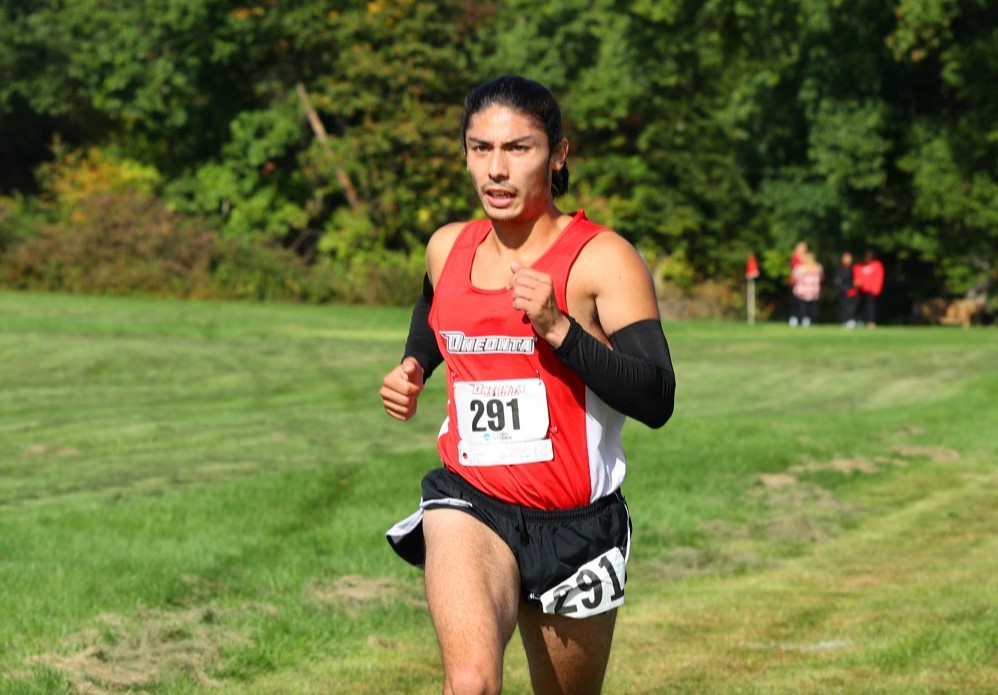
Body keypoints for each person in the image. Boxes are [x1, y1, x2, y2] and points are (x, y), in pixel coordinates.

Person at [379, 75, 676, 695]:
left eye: (519, 148)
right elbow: (436, 311)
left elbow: (656, 397)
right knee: (470, 683)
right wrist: (414, 367)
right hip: (471, 498)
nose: (496, 169)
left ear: (558, 154)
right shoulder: (446, 247)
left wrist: (559, 328)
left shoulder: (601, 259)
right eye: (480, 148)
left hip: (575, 523)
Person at [790, 251, 823, 327]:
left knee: (811, 308)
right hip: (802, 290)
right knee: (802, 307)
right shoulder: (799, 268)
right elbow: (794, 279)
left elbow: (821, 279)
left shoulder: (818, 267)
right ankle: (801, 320)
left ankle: (808, 320)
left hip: (813, 291)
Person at [855, 248, 885, 327]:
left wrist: (876, 288)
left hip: (872, 290)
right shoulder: (860, 265)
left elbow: (879, 277)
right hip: (861, 289)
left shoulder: (877, 265)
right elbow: (857, 275)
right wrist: (857, 283)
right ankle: (861, 321)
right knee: (861, 305)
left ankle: (871, 321)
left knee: (871, 306)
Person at [833, 251, 858, 328]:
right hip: (842, 290)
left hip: (851, 290)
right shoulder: (839, 268)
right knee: (843, 306)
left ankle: (851, 320)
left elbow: (856, 279)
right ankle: (845, 320)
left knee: (851, 307)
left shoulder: (854, 268)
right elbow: (836, 278)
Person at [788, 241, 808, 326]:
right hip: (796, 282)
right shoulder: (794, 257)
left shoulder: (808, 257)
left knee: (805, 302)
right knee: (795, 301)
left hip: (806, 283)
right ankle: (794, 318)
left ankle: (804, 318)